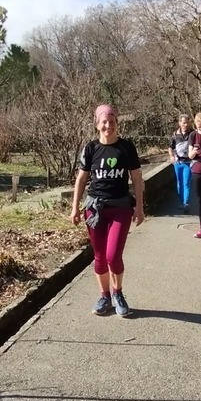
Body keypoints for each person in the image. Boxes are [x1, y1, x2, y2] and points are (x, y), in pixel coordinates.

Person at [71, 104, 146, 317]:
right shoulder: (91, 148)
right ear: (97, 124)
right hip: (95, 210)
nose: (108, 126)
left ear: (116, 124)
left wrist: (139, 207)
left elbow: (137, 178)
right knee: (100, 256)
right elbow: (81, 179)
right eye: (104, 122)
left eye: (112, 122)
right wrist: (75, 207)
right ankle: (104, 296)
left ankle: (118, 293)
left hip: (120, 207)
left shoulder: (126, 148)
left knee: (113, 255)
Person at [167, 114, 193, 212]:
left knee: (186, 183)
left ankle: (186, 203)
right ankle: (182, 202)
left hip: (189, 162)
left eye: (187, 122)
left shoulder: (192, 134)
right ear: (180, 123)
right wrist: (171, 156)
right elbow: (170, 147)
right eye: (184, 122)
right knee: (179, 183)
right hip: (178, 163)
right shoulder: (175, 134)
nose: (186, 124)